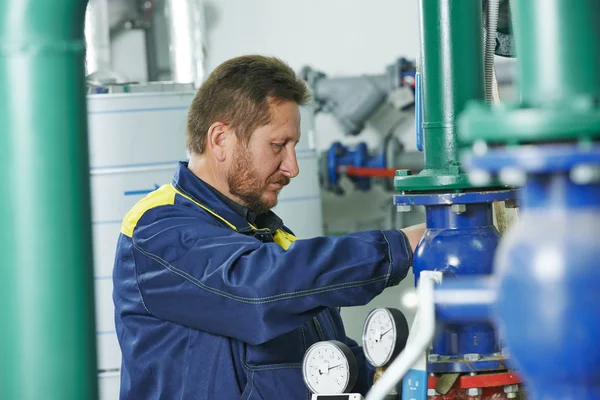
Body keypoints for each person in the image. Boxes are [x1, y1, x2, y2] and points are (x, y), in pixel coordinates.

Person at [113, 55, 425, 400]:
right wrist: (400, 245)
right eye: (278, 145)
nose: (292, 167)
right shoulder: (158, 232)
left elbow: (324, 367)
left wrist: (403, 377)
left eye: (293, 147)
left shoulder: (270, 240)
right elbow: (256, 289)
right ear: (220, 139)